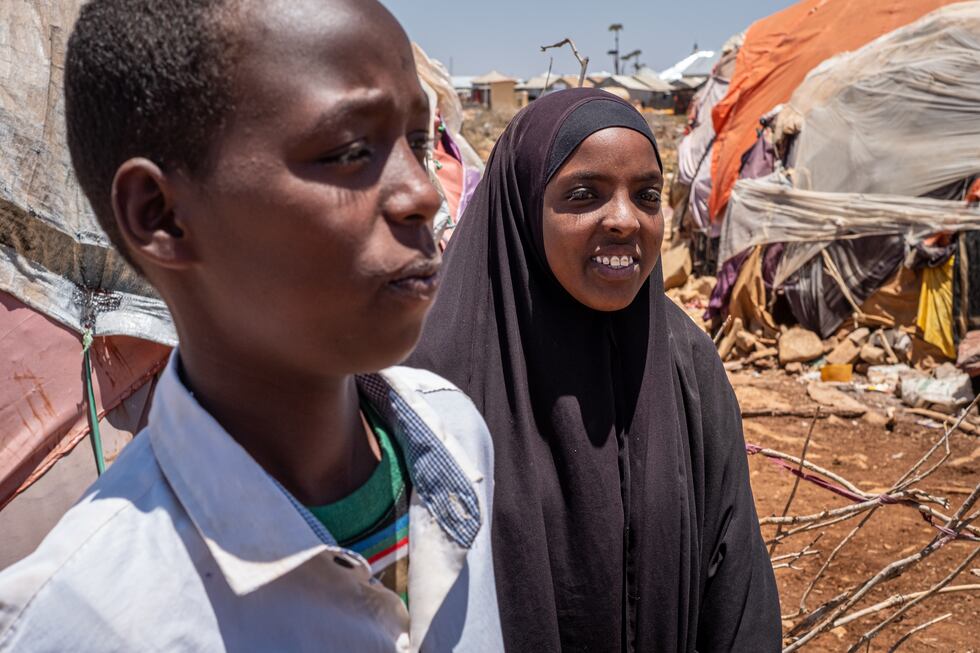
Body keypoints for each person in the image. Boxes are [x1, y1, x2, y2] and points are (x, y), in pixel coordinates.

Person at [0, 0, 502, 650]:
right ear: (161, 216)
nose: (425, 192)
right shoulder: (83, 617)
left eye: (414, 140)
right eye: (352, 151)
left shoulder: (457, 440)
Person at [408, 88, 781, 652]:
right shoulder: (436, 380)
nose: (625, 221)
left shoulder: (684, 365)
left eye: (648, 195)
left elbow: (735, 588)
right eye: (585, 194)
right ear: (523, 206)